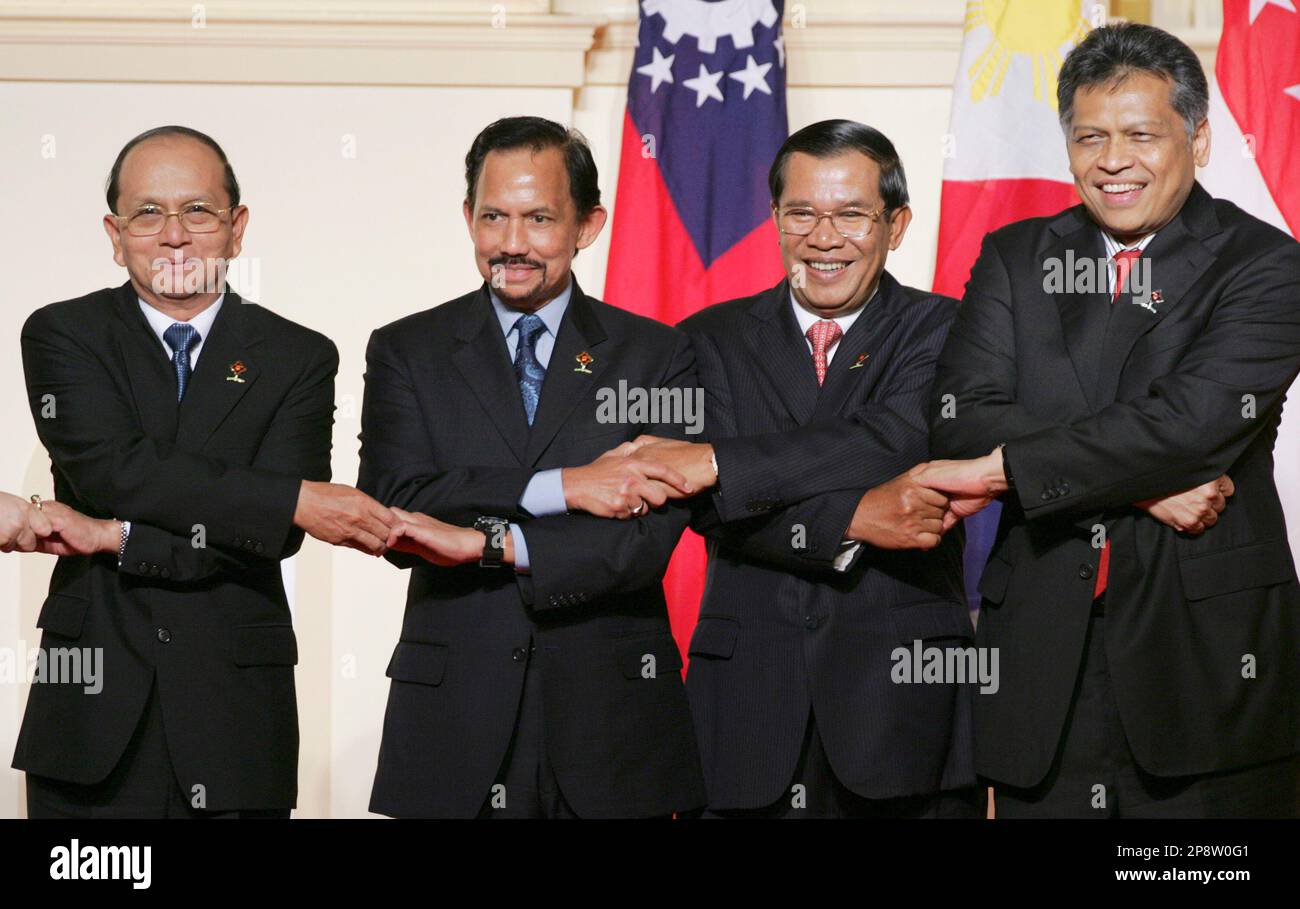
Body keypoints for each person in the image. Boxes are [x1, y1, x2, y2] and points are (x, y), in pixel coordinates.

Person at [926, 23, 1300, 817]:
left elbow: (1190, 426)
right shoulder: (1014, 256)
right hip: (1040, 662)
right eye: (1090, 137)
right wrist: (1142, 490)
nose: (1113, 159)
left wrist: (1008, 466)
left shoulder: (1266, 264)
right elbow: (959, 419)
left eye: (1140, 134)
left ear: (1196, 139)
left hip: (1203, 664)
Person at [15, 125, 395, 818]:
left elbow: (273, 536)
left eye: (198, 211)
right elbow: (113, 473)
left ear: (236, 226)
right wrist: (282, 499)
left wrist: (114, 538)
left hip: (236, 715)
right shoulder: (63, 334)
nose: (174, 235)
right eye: (147, 214)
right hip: (93, 708)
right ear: (114, 231)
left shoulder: (299, 356)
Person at [625, 120, 979, 817]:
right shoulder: (706, 339)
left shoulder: (950, 330)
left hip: (905, 708)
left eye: (851, 214)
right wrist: (854, 515)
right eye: (802, 213)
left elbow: (898, 439)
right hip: (747, 706)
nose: (824, 236)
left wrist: (720, 460)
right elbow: (702, 505)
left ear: (897, 223)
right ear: (775, 219)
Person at [358, 116, 705, 818]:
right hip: (453, 722)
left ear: (588, 224)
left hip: (611, 723)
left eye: (540, 218)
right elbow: (397, 502)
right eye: (494, 217)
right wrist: (563, 488)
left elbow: (640, 541)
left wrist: (492, 540)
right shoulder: (406, 350)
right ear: (468, 218)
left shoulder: (659, 356)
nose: (512, 243)